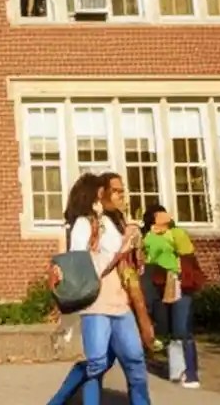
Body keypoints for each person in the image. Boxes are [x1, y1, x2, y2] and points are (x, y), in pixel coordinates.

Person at [52, 173, 152, 405]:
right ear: (99, 194)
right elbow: (83, 267)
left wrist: (135, 248)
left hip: (120, 301)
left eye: (121, 191)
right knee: (96, 363)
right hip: (96, 301)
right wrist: (123, 247)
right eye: (115, 191)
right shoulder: (84, 224)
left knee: (135, 361)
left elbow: (130, 264)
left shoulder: (115, 222)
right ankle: (58, 401)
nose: (121, 196)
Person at [141, 203, 201, 389]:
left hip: (179, 282)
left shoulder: (177, 234)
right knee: (167, 328)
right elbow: (146, 260)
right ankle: (176, 370)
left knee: (182, 329)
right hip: (158, 285)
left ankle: (190, 373)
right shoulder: (147, 238)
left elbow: (188, 256)